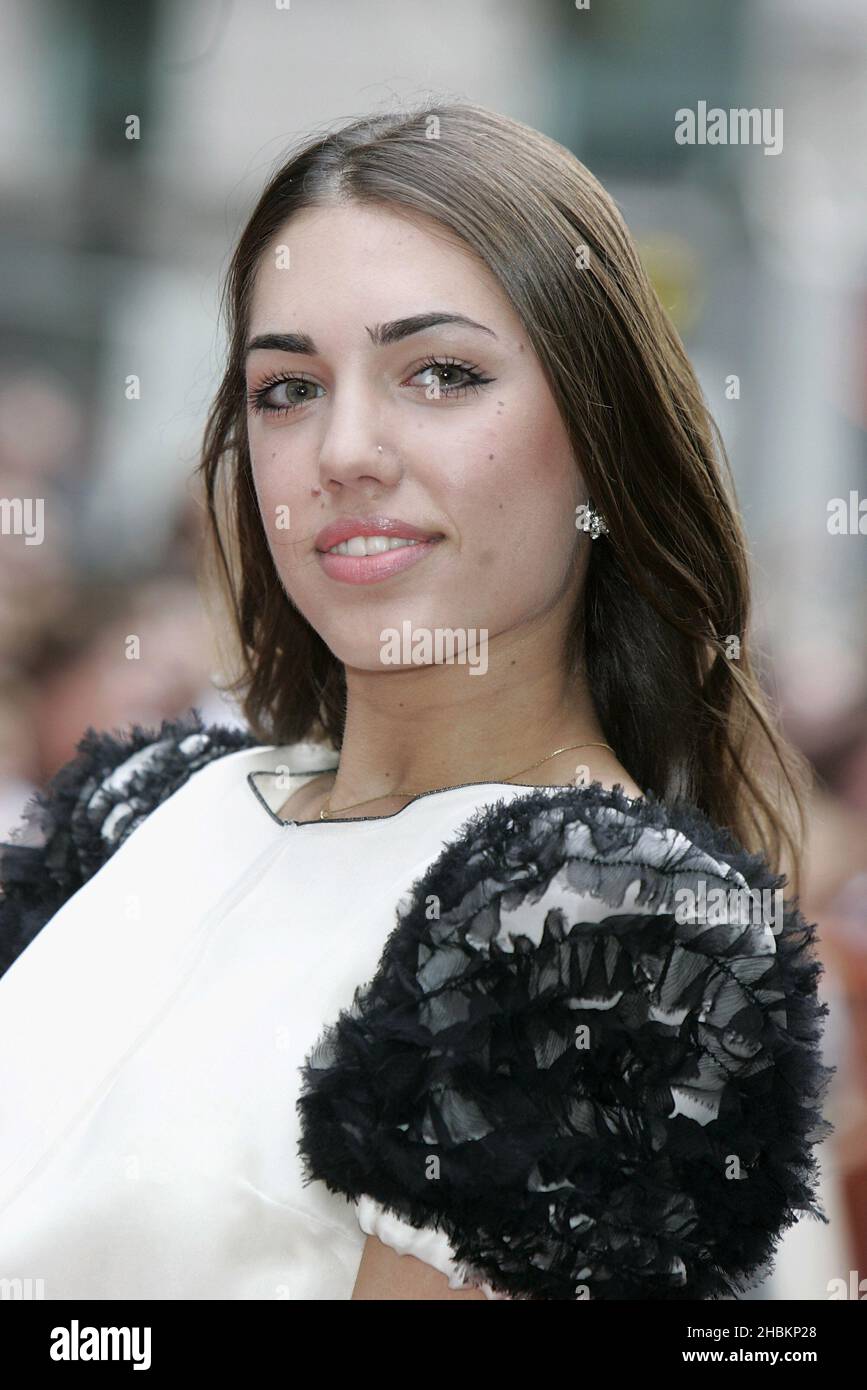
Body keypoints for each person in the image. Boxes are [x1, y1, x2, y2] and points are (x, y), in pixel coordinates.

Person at [0, 101, 833, 1301]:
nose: (345, 449)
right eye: (288, 387)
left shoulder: (605, 936)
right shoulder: (144, 811)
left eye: (441, 374)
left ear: (601, 430)